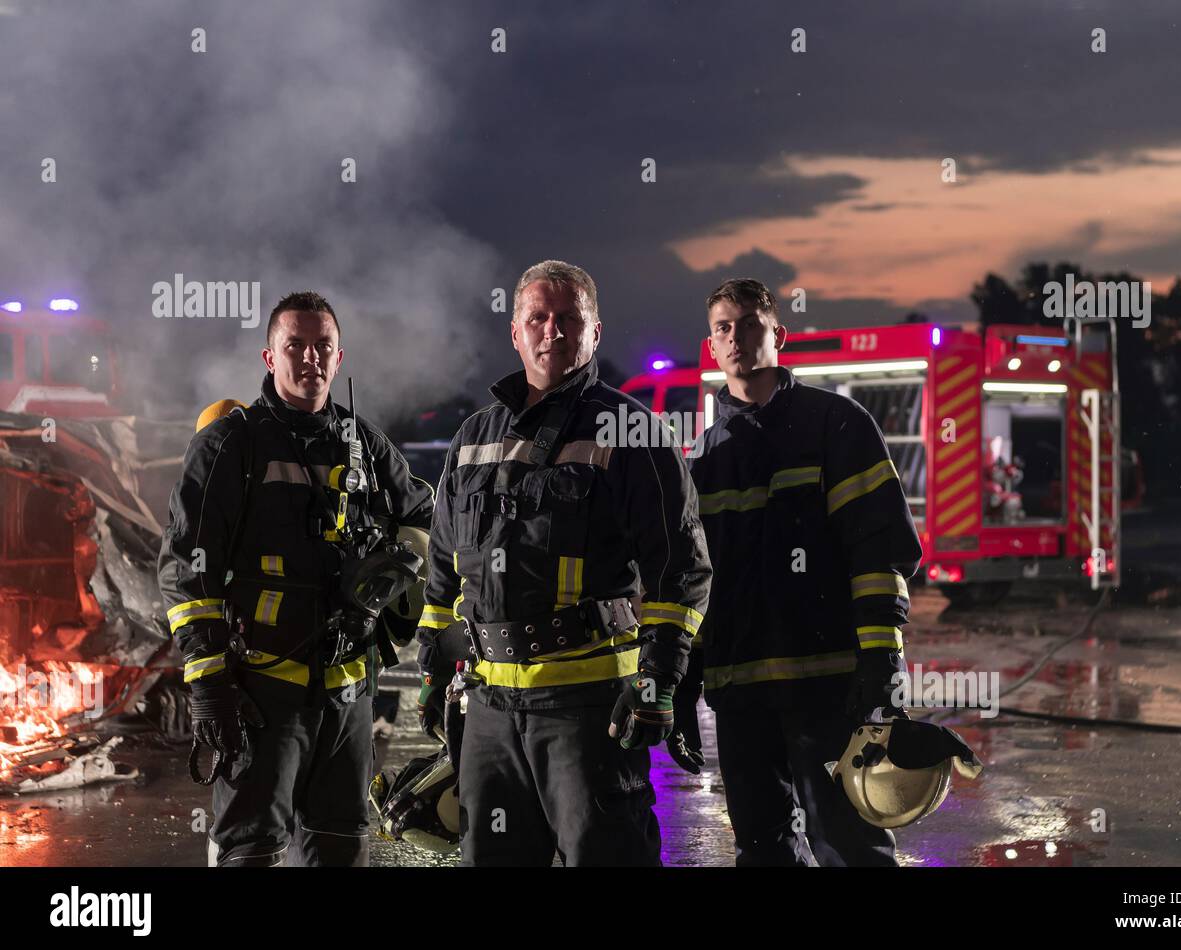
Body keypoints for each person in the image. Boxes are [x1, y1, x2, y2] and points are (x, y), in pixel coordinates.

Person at [414, 260, 711, 866]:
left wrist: (658, 680)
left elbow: (678, 568)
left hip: (588, 710)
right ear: (516, 333)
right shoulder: (474, 436)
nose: (553, 330)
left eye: (568, 319)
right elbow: (444, 567)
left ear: (594, 333)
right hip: (489, 711)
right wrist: (431, 665)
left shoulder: (631, 432)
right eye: (538, 318)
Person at [158, 291, 433, 866]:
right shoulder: (232, 444)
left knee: (340, 845)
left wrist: (388, 584)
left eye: (322, 347)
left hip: (349, 695)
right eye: (295, 346)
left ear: (338, 358)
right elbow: (187, 568)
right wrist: (209, 683)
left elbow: (425, 518)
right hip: (262, 693)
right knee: (250, 849)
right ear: (269, 357)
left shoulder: (367, 446)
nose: (310, 357)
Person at [686, 278, 923, 866]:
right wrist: (683, 685)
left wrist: (880, 662)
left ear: (778, 334)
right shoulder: (703, 459)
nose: (735, 337)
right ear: (711, 345)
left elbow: (878, 552)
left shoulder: (835, 424)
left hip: (828, 687)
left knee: (849, 846)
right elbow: (690, 582)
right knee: (761, 851)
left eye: (748, 323)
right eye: (723, 328)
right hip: (739, 699)